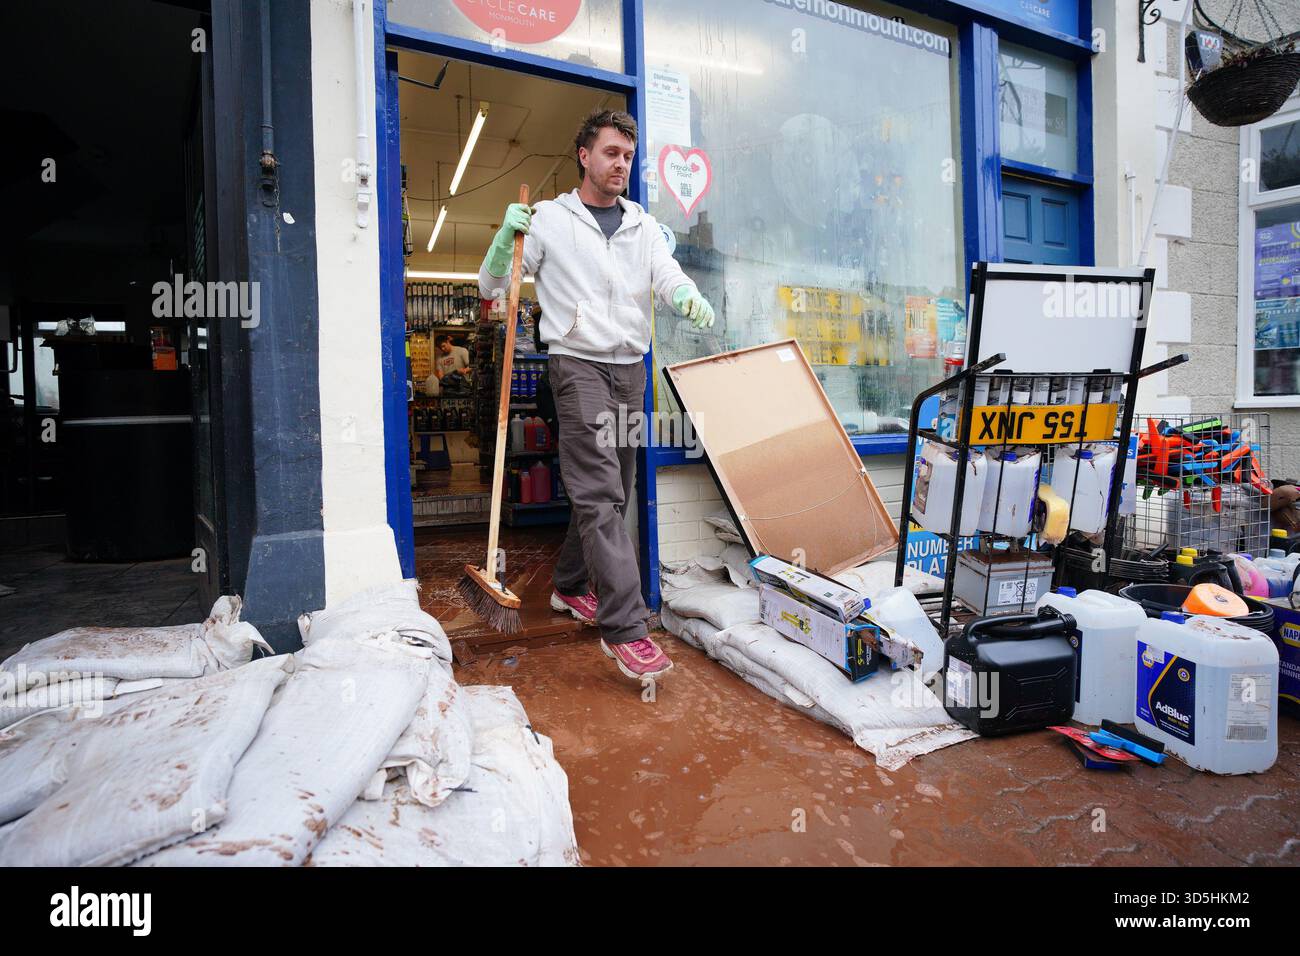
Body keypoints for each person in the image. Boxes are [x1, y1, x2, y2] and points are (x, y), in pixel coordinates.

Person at [478, 108, 715, 683]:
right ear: (584, 156)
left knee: (615, 490)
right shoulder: (551, 220)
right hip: (577, 367)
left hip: (630, 371)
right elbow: (493, 289)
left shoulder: (642, 224)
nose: (621, 165)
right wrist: (504, 239)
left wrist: (687, 296)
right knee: (600, 493)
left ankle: (568, 584)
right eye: (611, 153)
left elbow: (667, 273)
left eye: (629, 156)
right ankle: (626, 628)